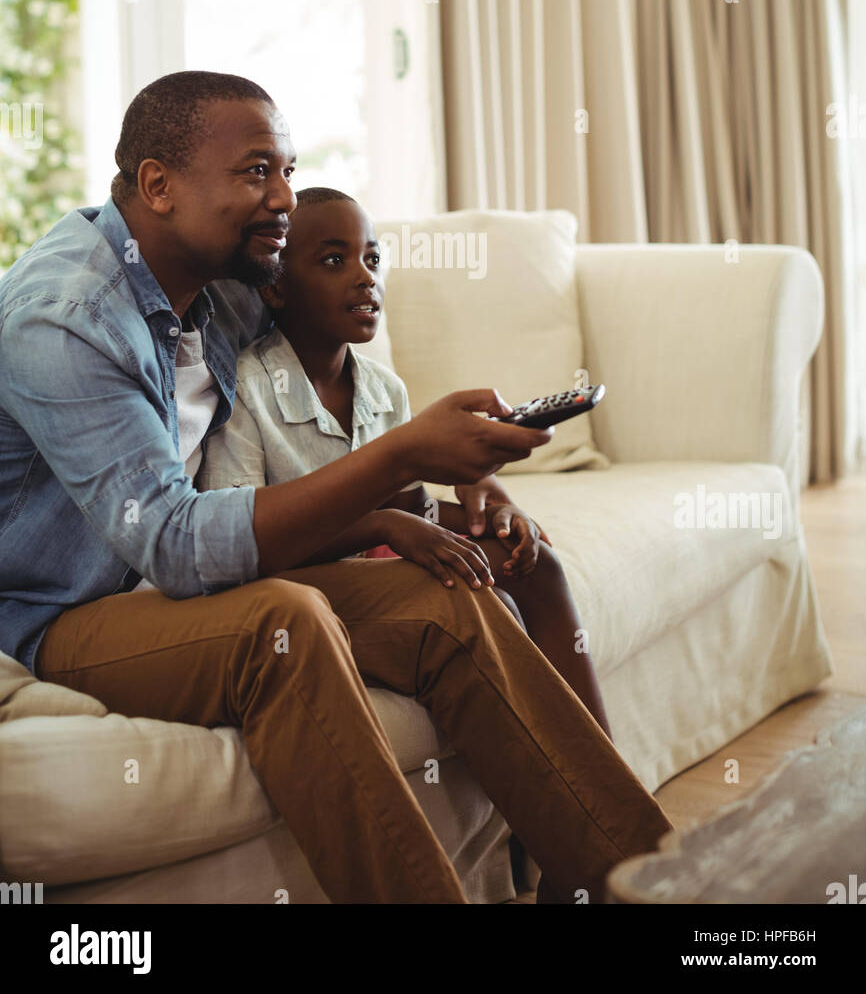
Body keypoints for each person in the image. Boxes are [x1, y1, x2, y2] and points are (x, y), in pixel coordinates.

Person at [0, 70, 673, 903]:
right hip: (61, 614)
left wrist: (471, 471)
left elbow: (330, 339)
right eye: (257, 172)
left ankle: (644, 887)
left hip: (174, 590)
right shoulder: (66, 317)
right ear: (158, 186)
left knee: (447, 599)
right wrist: (403, 459)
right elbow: (173, 543)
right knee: (283, 621)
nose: (284, 195)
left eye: (287, 169)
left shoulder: (225, 285)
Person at [199, 186, 613, 740]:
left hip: (378, 561)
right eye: (333, 260)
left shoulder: (383, 390)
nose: (365, 276)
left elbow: (409, 506)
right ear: (275, 287)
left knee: (531, 564)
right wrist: (389, 523)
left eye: (372, 259)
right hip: (299, 590)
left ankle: (602, 773)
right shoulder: (246, 391)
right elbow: (237, 535)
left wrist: (482, 517)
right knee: (482, 605)